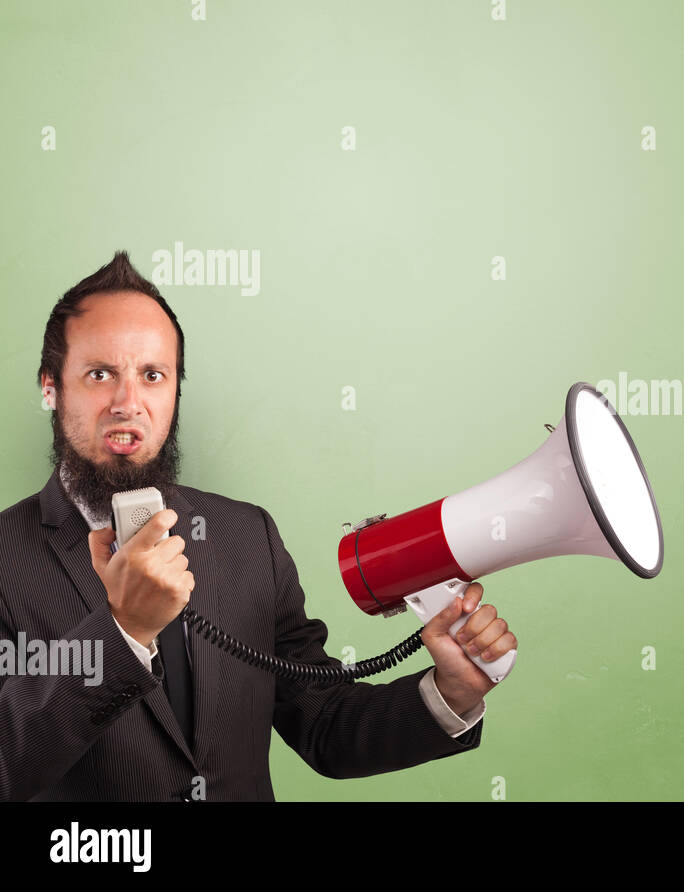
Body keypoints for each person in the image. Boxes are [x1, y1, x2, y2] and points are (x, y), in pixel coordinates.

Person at [0, 251, 517, 801]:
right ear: (51, 387)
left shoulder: (248, 538)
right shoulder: (7, 559)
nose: (129, 403)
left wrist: (449, 693)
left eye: (153, 375)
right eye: (100, 374)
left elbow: (321, 724)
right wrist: (122, 631)